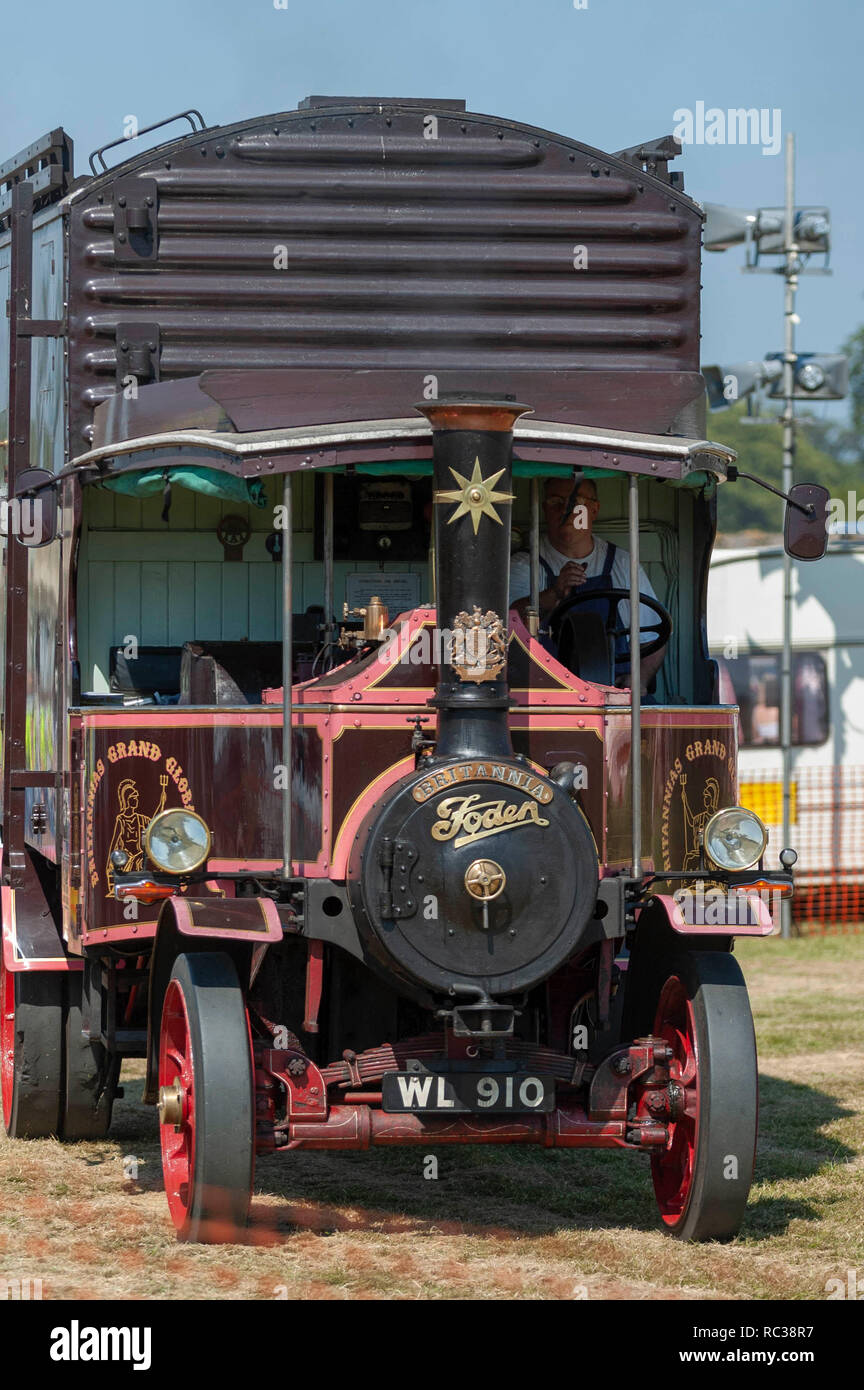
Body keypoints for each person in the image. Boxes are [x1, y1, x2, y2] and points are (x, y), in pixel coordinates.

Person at [509, 475, 667, 692]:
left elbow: (650, 638)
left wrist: (639, 679)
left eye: (576, 503)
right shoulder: (525, 564)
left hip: (616, 695)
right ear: (544, 509)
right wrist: (553, 594)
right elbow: (509, 628)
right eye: (556, 503)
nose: (566, 511)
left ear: (594, 510)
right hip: (548, 695)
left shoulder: (622, 564)